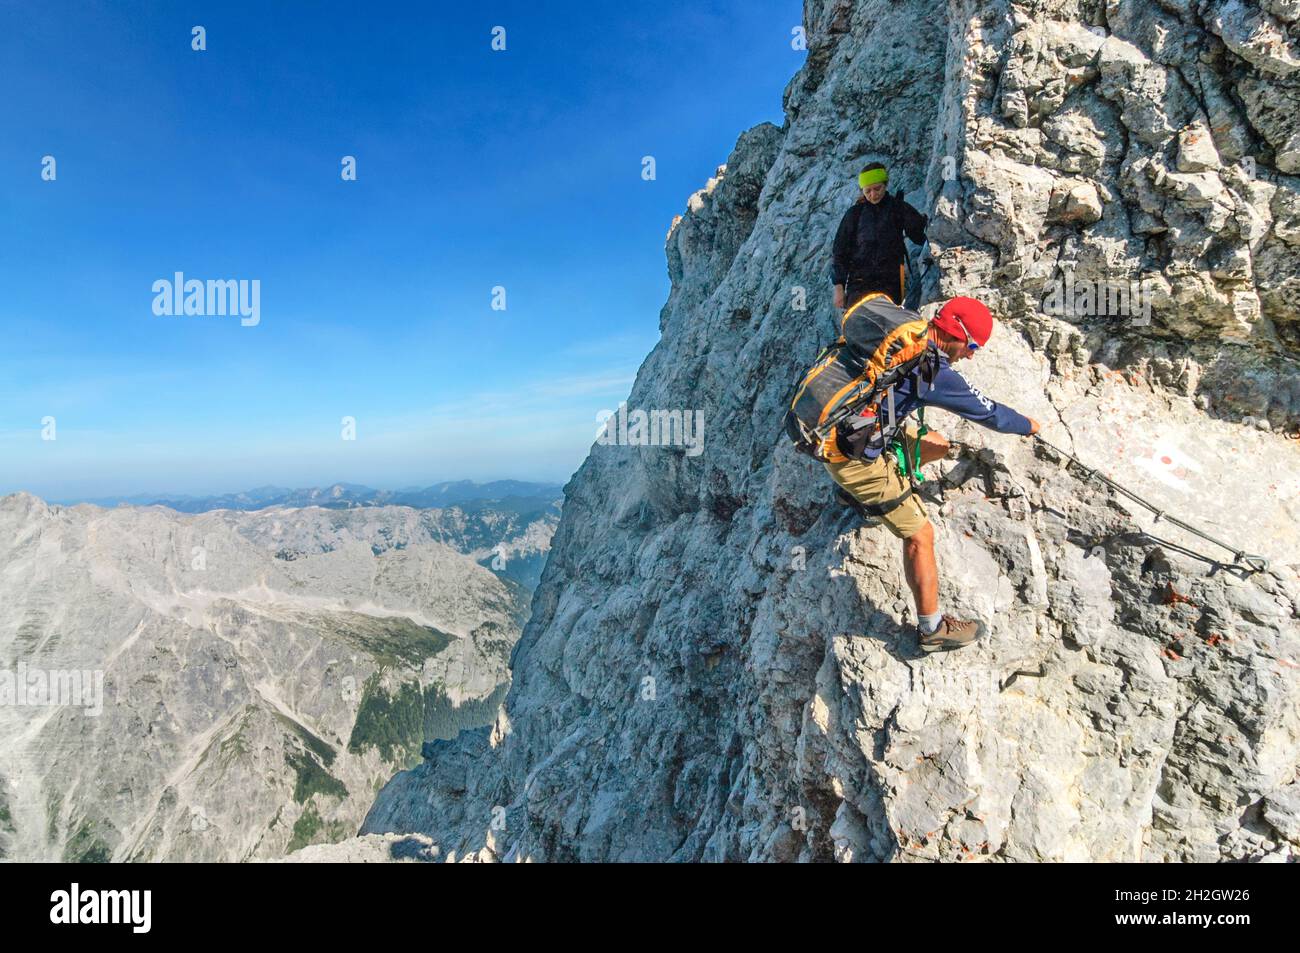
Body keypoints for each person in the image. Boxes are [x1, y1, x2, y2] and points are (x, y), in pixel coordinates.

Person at [824, 296, 1040, 652]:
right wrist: (1027, 425)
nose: (970, 355)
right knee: (921, 535)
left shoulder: (908, 331)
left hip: (850, 427)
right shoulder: (933, 371)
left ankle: (859, 494)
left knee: (938, 445)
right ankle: (932, 630)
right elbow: (990, 413)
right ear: (955, 333)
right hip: (852, 457)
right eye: (971, 347)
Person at [831, 162, 927, 310]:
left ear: (886, 184)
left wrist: (922, 222)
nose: (873, 194)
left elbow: (919, 237)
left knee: (887, 329)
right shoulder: (854, 214)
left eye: (877, 189)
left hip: (891, 282)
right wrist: (839, 288)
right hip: (859, 283)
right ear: (862, 191)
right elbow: (840, 252)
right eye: (867, 191)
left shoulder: (898, 208)